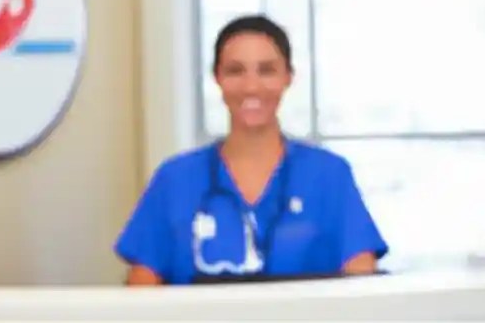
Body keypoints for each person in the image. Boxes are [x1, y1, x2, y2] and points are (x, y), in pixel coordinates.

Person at [115, 15, 388, 285]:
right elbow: (141, 294)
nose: (251, 86)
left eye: (267, 70)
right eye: (235, 71)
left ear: (288, 77)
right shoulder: (175, 179)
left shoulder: (329, 175)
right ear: (217, 77)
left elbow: (362, 285)